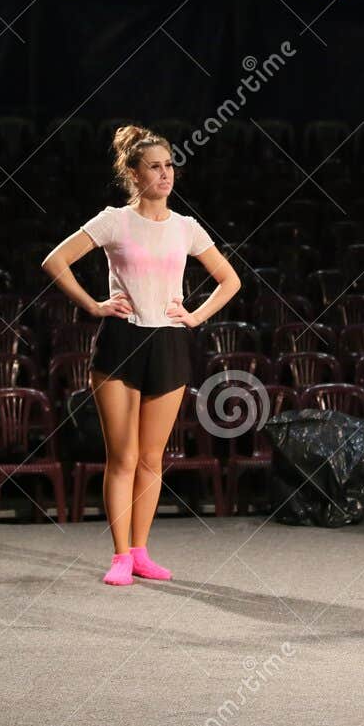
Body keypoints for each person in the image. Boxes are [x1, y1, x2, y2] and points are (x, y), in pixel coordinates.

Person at [41, 125, 240, 586]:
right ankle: (119, 556)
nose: (166, 173)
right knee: (123, 457)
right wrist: (92, 304)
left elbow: (230, 280)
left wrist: (195, 315)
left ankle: (141, 550)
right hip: (120, 340)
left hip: (169, 343)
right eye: (155, 166)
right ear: (133, 172)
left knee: (152, 458)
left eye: (170, 165)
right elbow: (55, 260)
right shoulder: (114, 220)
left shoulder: (186, 228)